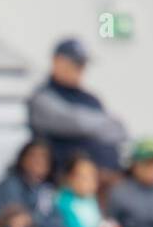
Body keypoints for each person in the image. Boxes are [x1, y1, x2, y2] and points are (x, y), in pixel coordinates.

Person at [27, 37, 127, 186]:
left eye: (82, 65)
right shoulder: (42, 97)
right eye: (76, 63)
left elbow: (119, 130)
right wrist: (100, 124)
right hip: (63, 183)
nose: (80, 70)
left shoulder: (91, 99)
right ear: (57, 61)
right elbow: (73, 122)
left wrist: (90, 124)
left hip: (104, 181)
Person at [0, 138, 64, 227]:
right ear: (23, 159)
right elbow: (14, 220)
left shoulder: (48, 190)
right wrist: (38, 222)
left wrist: (34, 222)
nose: (38, 161)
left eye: (43, 158)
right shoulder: (10, 185)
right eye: (33, 156)